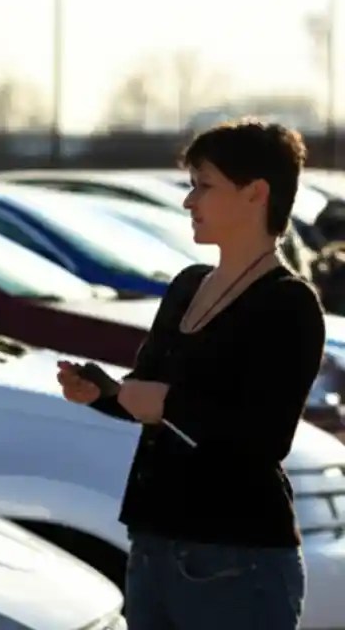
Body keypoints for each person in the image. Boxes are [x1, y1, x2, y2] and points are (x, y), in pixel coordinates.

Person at [57, 119, 325, 629]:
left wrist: (166, 404)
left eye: (204, 186)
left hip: (236, 563)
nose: (189, 201)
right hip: (152, 545)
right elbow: (153, 393)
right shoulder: (189, 284)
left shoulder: (288, 304)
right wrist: (103, 393)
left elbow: (262, 438)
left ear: (256, 194)